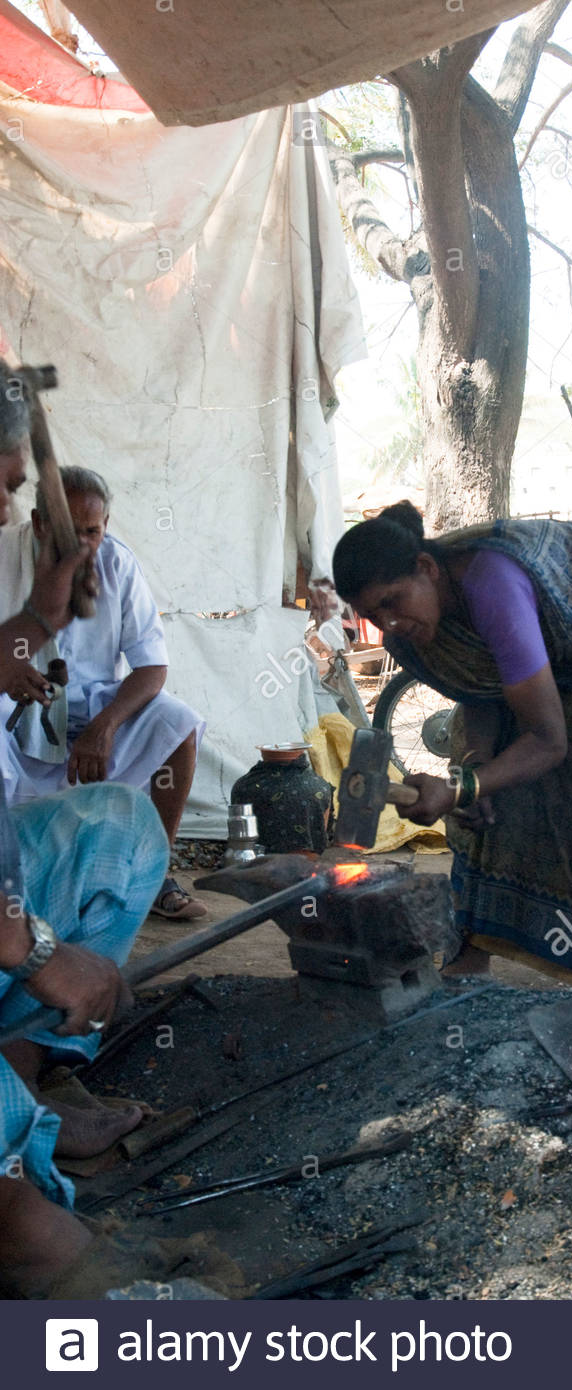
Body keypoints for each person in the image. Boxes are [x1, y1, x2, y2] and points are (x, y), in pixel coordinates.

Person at [332, 502, 572, 1000]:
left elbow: (549, 741)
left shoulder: (494, 585)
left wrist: (460, 787)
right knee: (492, 793)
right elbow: (481, 688)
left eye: (393, 601)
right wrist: (474, 771)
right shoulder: (416, 629)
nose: (389, 622)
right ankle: (470, 955)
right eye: (373, 614)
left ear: (425, 568)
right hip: (558, 651)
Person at [0, 364, 170, 1295]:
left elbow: (144, 663)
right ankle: (21, 1198)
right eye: (4, 484)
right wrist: (31, 951)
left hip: (18, 804)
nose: (5, 508)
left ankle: (30, 1078)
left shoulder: (104, 566)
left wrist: (44, 612)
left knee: (124, 825)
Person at [0, 465, 206, 920]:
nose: (82, 545)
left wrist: (105, 724)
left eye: (92, 531)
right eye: (67, 531)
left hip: (92, 715)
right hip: (14, 717)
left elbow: (151, 666)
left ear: (106, 526)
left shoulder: (117, 563)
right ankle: (6, 885)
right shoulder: (2, 555)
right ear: (38, 523)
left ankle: (150, 874)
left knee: (176, 723)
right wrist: (8, 673)